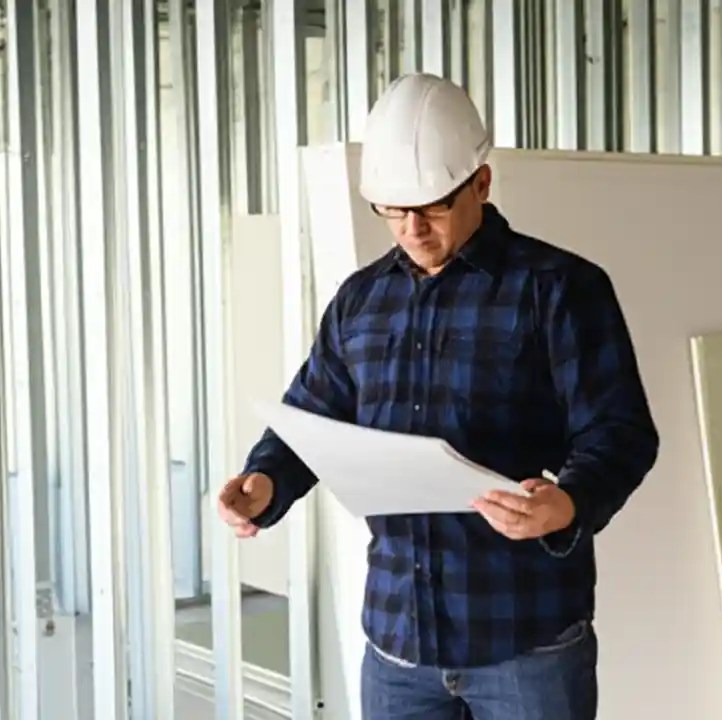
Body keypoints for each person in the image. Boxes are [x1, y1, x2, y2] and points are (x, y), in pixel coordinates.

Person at [216, 73, 659, 720]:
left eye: (432, 207)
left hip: (525, 641)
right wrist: (264, 481)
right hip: (397, 643)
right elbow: (313, 413)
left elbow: (620, 431)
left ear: (481, 183)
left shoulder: (559, 289)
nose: (411, 229)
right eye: (393, 210)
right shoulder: (360, 301)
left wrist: (568, 502)